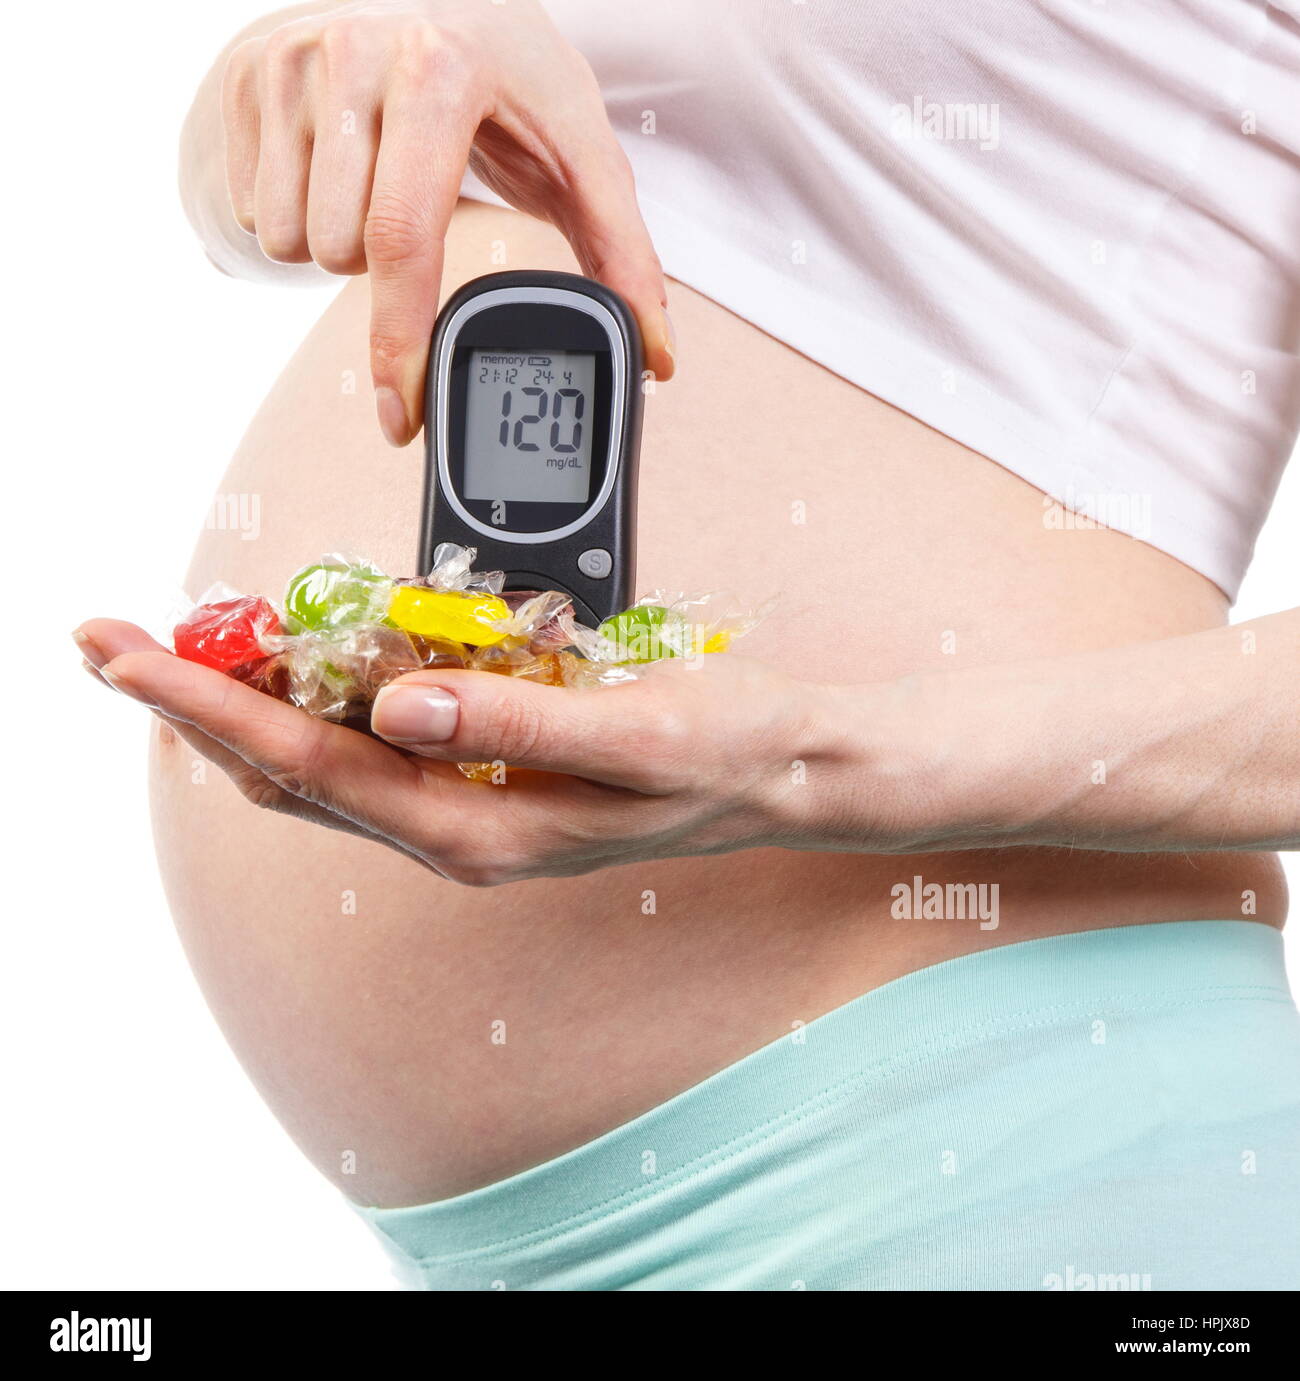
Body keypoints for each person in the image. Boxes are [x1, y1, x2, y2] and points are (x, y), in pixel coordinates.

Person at [76, 1, 1300, 1289]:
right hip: (469, 1238)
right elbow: (274, 202)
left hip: (976, 1130)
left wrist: (815, 757)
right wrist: (272, 99)